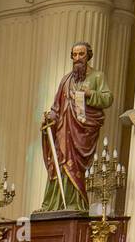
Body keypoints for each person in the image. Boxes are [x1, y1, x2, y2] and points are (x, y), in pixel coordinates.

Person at [39, 41, 113, 213]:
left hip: (82, 131)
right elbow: (56, 106)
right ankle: (53, 204)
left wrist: (90, 94)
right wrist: (50, 117)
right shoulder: (66, 80)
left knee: (74, 166)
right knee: (59, 160)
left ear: (88, 56)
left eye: (82, 54)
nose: (78, 58)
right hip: (63, 129)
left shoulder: (97, 77)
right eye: (75, 54)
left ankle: (74, 203)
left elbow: (108, 98)